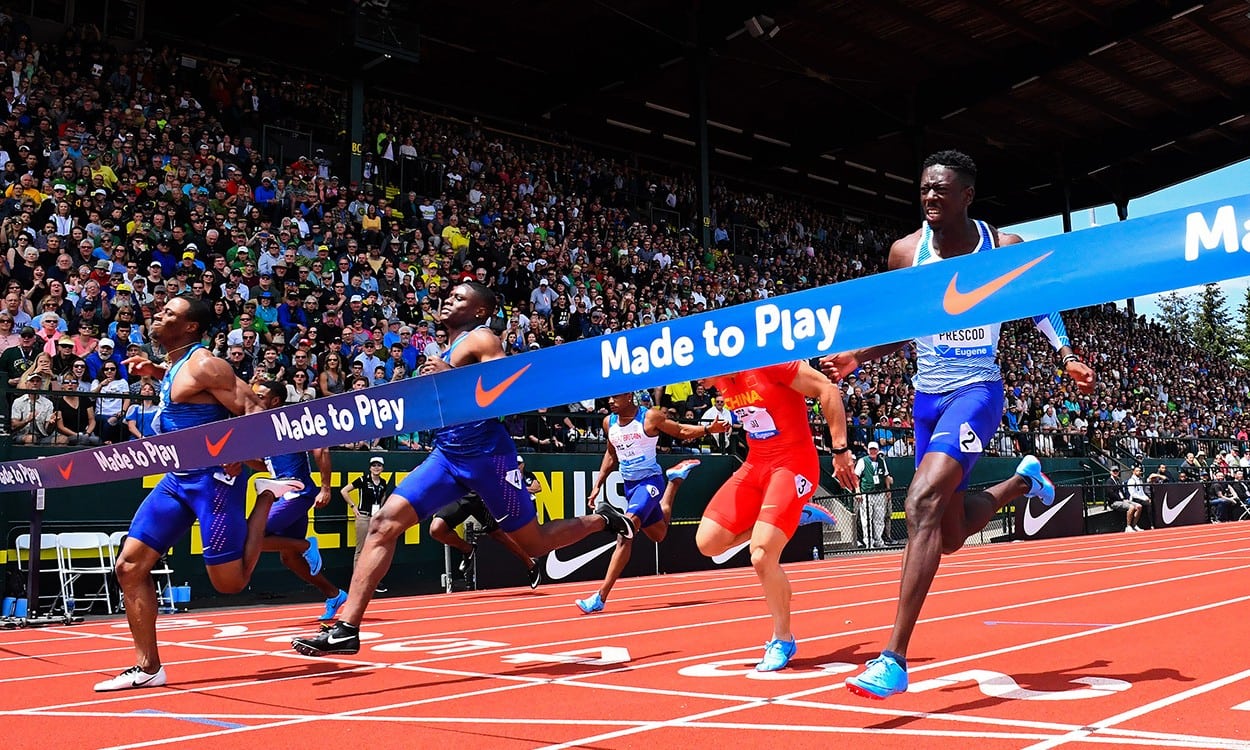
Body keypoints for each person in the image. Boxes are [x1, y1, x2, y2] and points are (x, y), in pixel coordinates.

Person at [820, 150, 1097, 699]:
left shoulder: (1002, 248)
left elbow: (1037, 301)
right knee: (947, 534)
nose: (928, 198)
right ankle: (1023, 482)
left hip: (977, 392)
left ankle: (892, 659)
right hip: (927, 398)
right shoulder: (906, 252)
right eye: (923, 189)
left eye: (940, 191)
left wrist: (1064, 352)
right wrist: (860, 358)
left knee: (921, 500)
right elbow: (905, 326)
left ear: (967, 195)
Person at [294, 282, 634, 656]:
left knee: (534, 542)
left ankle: (603, 519)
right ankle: (347, 628)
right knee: (382, 524)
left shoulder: (482, 338)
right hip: (447, 455)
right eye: (449, 295)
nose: (448, 300)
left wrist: (450, 379)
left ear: (479, 311)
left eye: (459, 298)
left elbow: (504, 390)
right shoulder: (446, 349)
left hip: (488, 456)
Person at [96, 295, 276, 692]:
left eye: (169, 314)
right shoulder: (178, 365)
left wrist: (242, 453)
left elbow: (254, 410)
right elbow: (192, 393)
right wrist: (156, 369)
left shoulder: (206, 363)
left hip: (214, 482)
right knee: (129, 567)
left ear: (190, 326)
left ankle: (265, 496)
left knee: (229, 584)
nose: (158, 315)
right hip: (177, 478)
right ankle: (147, 667)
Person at [694, 361, 857, 672]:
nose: (699, 382)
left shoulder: (770, 364)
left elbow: (827, 387)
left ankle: (783, 638)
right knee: (708, 543)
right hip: (756, 464)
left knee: (761, 555)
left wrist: (840, 449)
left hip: (793, 462)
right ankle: (796, 514)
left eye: (699, 371)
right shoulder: (721, 384)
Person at [574, 391, 725, 614]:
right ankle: (674, 482)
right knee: (658, 534)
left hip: (650, 482)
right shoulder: (609, 422)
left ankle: (600, 597)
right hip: (630, 487)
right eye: (609, 398)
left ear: (629, 397)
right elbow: (610, 454)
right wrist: (598, 484)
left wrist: (707, 429)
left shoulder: (649, 417)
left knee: (625, 534)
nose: (610, 401)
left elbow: (680, 430)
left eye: (615, 397)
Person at [250, 380, 348, 621]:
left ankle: (306, 545)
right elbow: (265, 464)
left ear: (274, 401)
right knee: (288, 557)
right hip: (282, 491)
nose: (254, 400)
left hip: (298, 492)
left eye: (260, 396)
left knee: (250, 537)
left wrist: (326, 488)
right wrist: (240, 458)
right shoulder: (261, 428)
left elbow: (321, 450)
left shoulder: (292, 421)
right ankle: (333, 594)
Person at [430, 483, 541, 590]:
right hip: (460, 495)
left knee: (498, 535)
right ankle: (467, 549)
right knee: (436, 530)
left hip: (482, 498)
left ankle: (530, 563)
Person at [854, 441, 891, 548]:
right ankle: (868, 541)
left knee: (879, 518)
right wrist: (858, 492)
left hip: (879, 493)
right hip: (867, 493)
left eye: (874, 449)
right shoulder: (862, 461)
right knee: (866, 518)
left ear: (878, 450)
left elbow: (886, 476)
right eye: (871, 449)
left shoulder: (881, 461)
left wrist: (888, 490)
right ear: (868, 450)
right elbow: (856, 477)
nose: (873, 451)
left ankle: (879, 540)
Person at [1106, 466, 1142, 531]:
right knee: (1131, 507)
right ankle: (1128, 527)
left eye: (1116, 471)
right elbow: (1110, 493)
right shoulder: (1109, 481)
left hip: (1123, 500)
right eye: (1114, 471)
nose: (1115, 472)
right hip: (1115, 502)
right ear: (1110, 472)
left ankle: (1134, 525)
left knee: (1139, 506)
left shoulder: (1118, 480)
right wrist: (1121, 500)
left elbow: (1122, 491)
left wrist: (1125, 499)